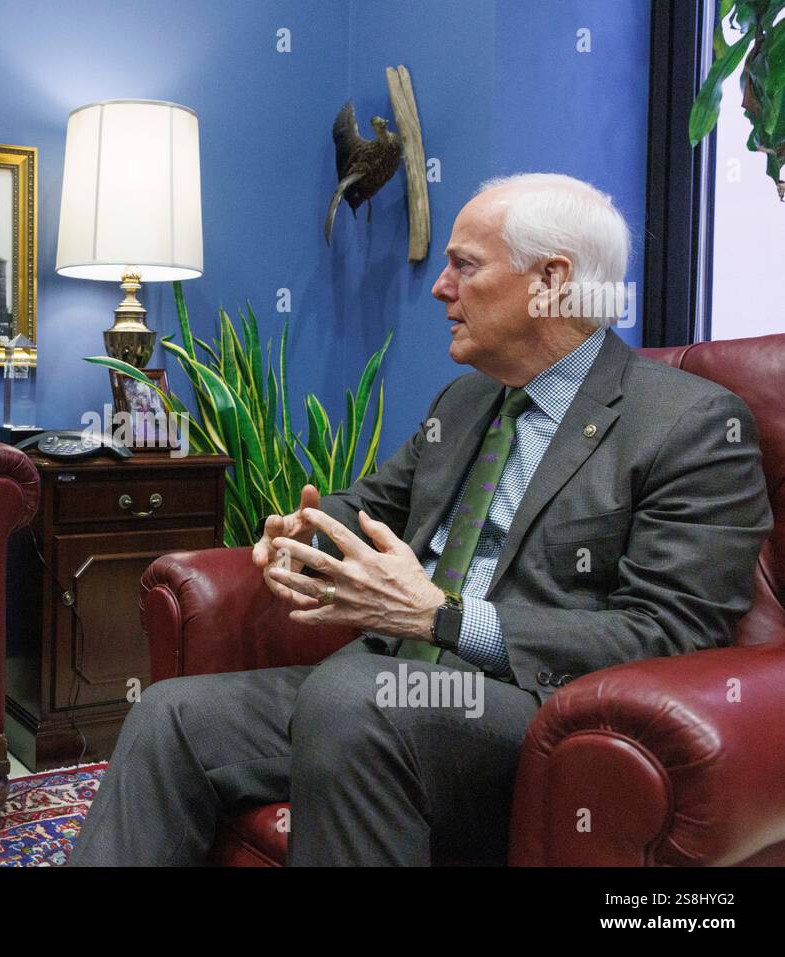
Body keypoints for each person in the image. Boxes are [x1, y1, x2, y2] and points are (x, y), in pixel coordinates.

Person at [68, 172, 773, 866]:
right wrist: (304, 535)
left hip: (528, 710)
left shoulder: (690, 424)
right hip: (387, 680)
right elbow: (371, 503)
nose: (440, 288)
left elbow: (669, 632)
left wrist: (444, 613)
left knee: (353, 697)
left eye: (465, 266)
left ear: (551, 281)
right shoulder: (464, 404)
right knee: (170, 715)